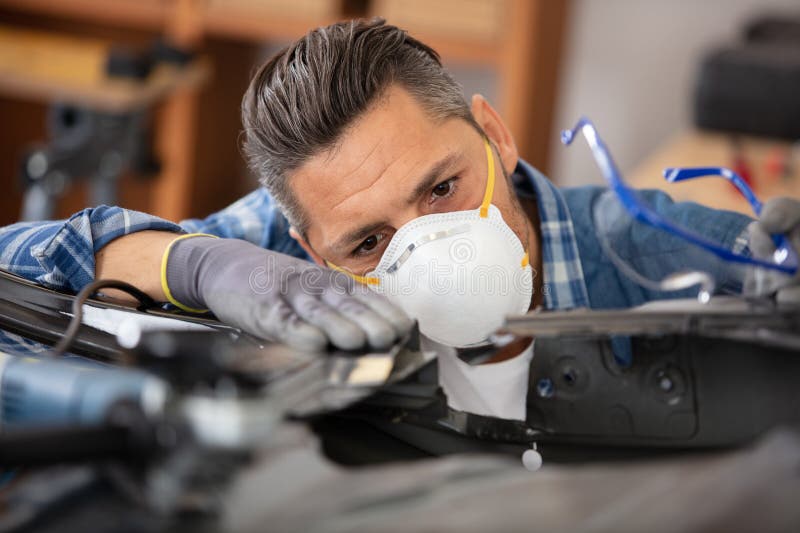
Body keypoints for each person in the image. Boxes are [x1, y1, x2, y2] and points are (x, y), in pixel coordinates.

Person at [1, 19, 798, 404]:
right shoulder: (283, 274)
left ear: (496, 134)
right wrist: (196, 264)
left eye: (441, 188)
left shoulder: (651, 255)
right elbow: (17, 270)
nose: (430, 243)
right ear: (312, 252)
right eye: (371, 240)